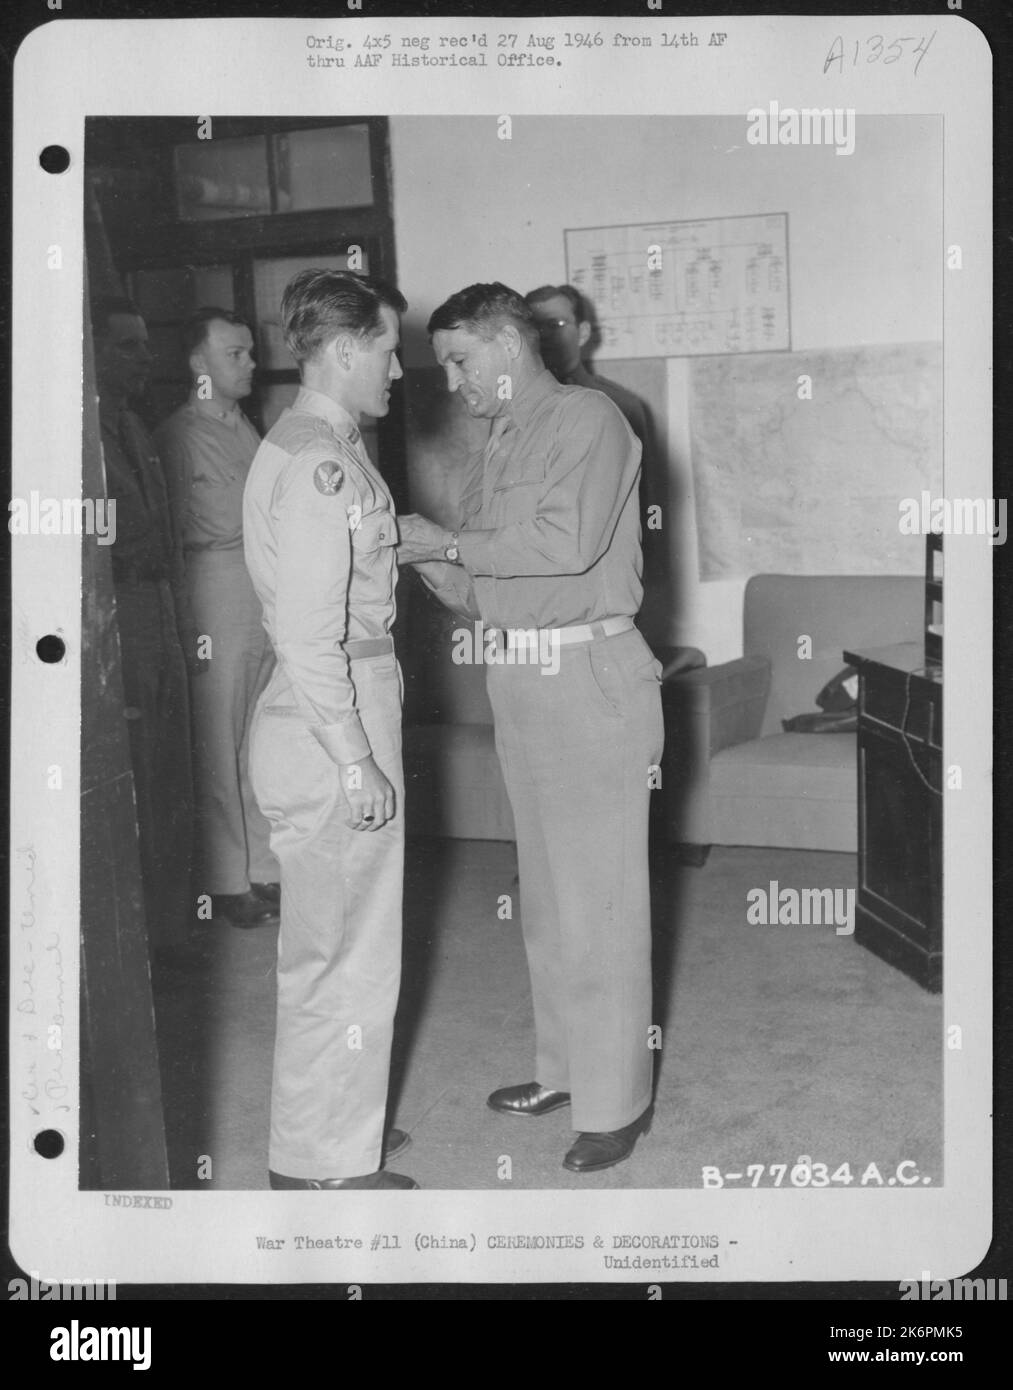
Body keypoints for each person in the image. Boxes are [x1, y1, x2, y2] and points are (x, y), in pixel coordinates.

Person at [398, 283, 664, 1173]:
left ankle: (614, 1102)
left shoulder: (589, 420)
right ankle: (563, 1070)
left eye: (461, 360)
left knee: (602, 900)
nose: (454, 382)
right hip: (521, 674)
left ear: (510, 347)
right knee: (549, 898)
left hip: (589, 676)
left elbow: (561, 544)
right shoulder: (499, 440)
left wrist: (443, 543)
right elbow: (483, 579)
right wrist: (420, 558)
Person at [243, 269, 417, 1191]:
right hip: (333, 713)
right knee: (341, 954)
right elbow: (311, 637)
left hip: (324, 705)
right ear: (346, 349)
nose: (397, 369)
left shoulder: (306, 441)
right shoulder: (323, 463)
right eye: (388, 350)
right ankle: (317, 1170)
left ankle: (331, 1134)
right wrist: (357, 763)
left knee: (336, 943)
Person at [155, 309, 280, 929]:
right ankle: (226, 881)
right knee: (215, 742)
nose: (251, 364)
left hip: (258, 590)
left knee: (256, 738)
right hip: (214, 592)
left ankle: (263, 868)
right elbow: (174, 538)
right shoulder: (179, 435)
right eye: (236, 353)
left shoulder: (242, 427)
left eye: (251, 352)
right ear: (198, 363)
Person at [91, 296, 195, 957]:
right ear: (92, 351)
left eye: (145, 345)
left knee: (165, 777)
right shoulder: (78, 434)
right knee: (132, 785)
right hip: (116, 621)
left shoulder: (130, 424)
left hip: (157, 612)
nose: (144, 358)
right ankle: (137, 945)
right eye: (126, 346)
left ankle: (168, 934)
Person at [524, 283, 650, 446]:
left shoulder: (621, 405)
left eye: (555, 325)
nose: (544, 335)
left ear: (583, 333)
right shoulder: (512, 403)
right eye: (535, 327)